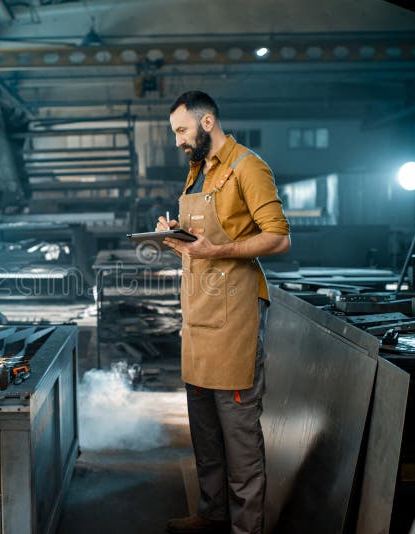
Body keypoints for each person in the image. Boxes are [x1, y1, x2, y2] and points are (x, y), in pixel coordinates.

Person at [157, 91, 290, 534]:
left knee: (238, 432)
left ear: (207, 122)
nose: (177, 140)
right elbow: (203, 241)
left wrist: (218, 250)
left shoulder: (247, 167)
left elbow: (278, 237)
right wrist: (176, 235)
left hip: (235, 313)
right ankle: (212, 515)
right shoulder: (196, 172)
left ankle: (246, 528)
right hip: (198, 311)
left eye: (181, 130)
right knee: (205, 426)